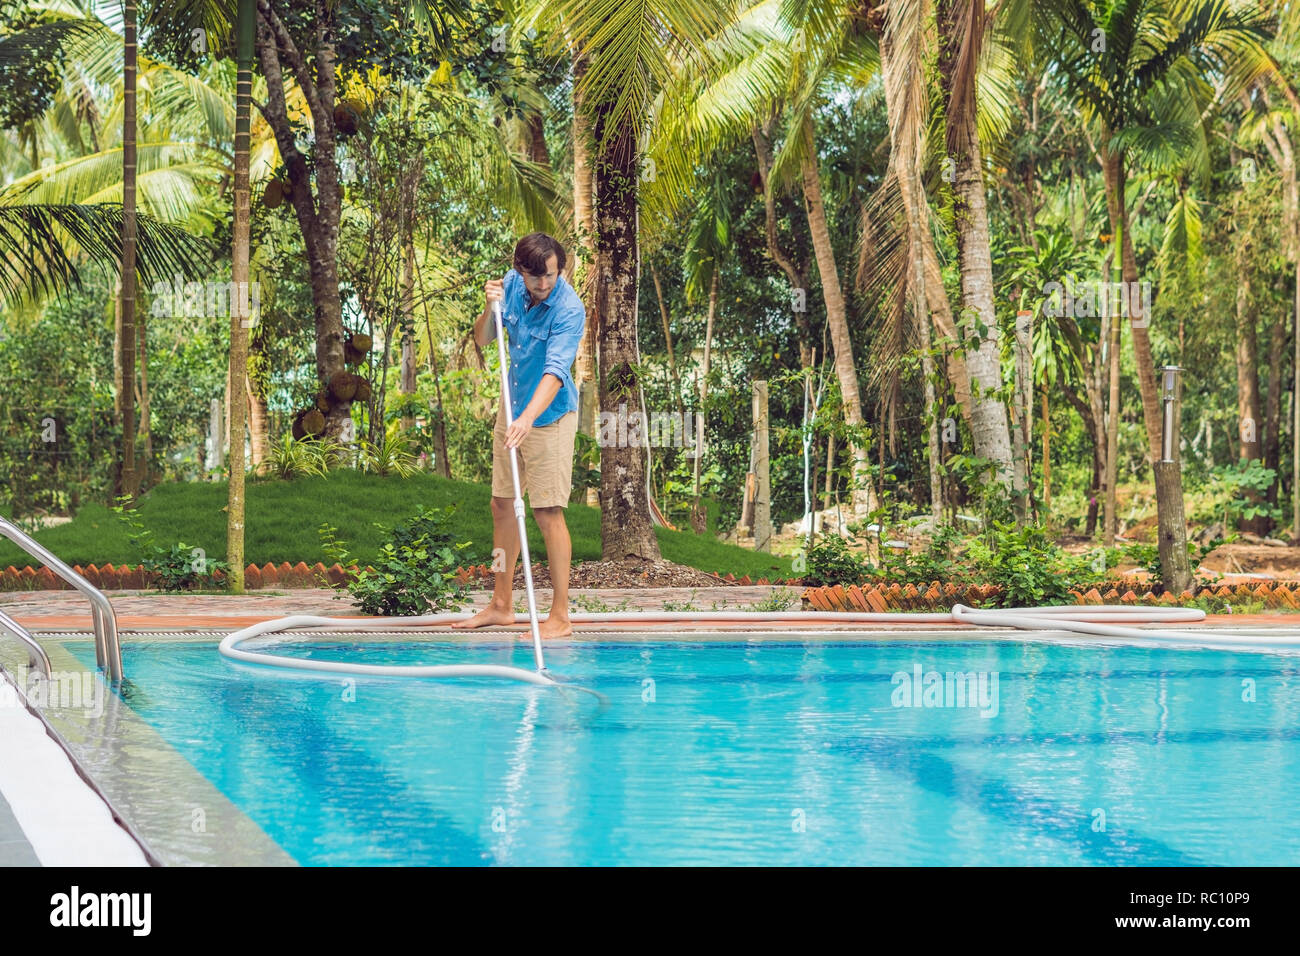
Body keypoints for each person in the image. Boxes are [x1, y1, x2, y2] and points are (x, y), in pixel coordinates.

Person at [453, 233, 585, 638]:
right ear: (519, 271)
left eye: (550, 275)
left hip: (548, 418)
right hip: (511, 410)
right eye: (535, 277)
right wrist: (489, 307)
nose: (543, 285)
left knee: (547, 512)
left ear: (559, 269)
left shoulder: (569, 308)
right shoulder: (510, 287)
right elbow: (483, 338)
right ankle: (501, 604)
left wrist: (527, 418)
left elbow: (556, 372)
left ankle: (560, 615)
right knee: (501, 506)